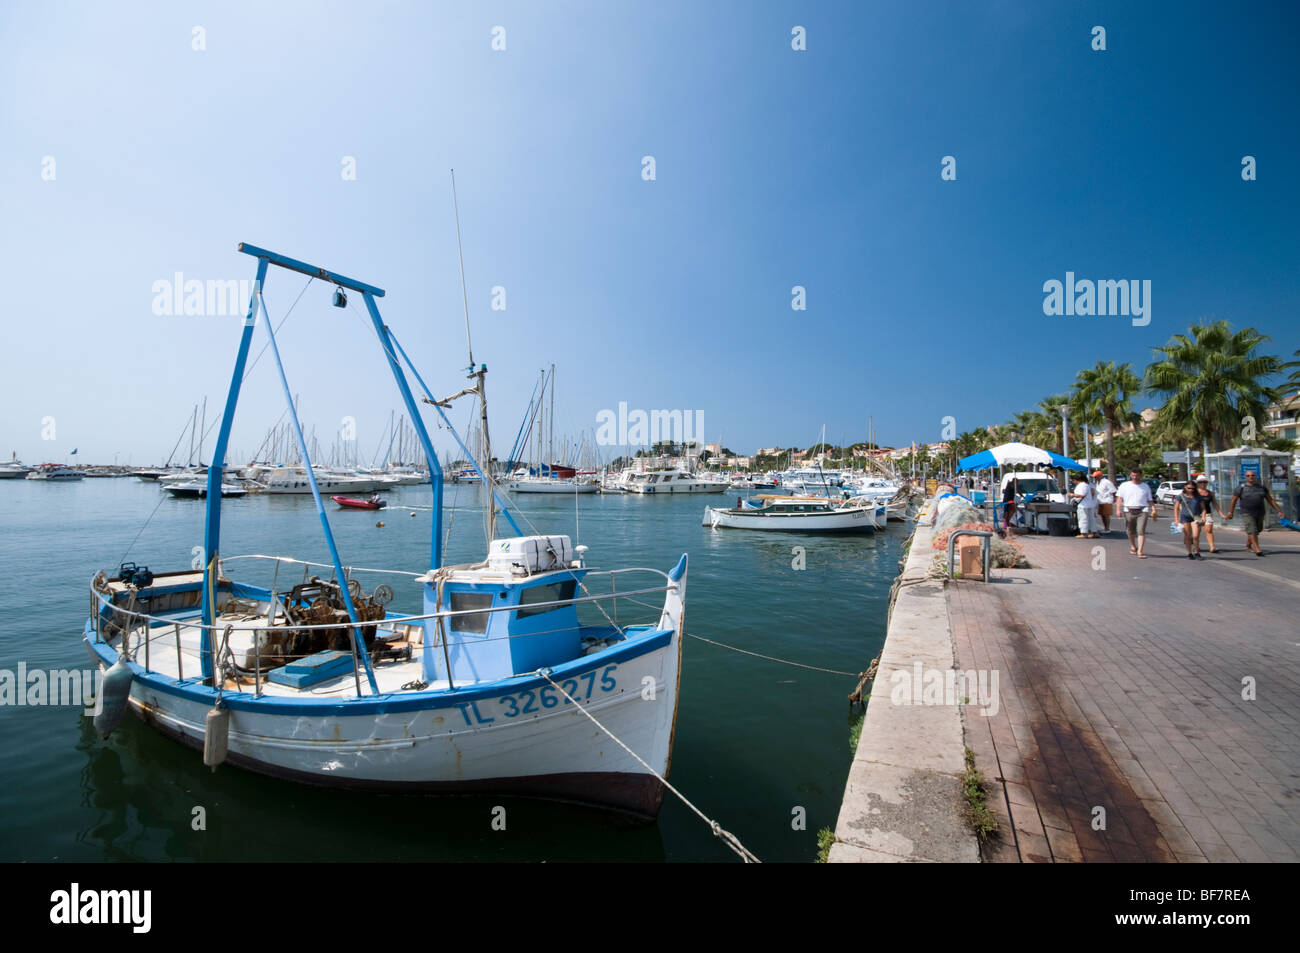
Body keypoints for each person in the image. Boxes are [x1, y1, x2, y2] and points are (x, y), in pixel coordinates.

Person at [1226, 470, 1285, 556]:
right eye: (1248, 476)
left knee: (1258, 530)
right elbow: (1233, 500)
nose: (1251, 477)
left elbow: (1270, 500)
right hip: (1246, 512)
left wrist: (1279, 511)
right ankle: (1257, 549)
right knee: (1252, 530)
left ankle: (1248, 545)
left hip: (1260, 512)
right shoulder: (1241, 488)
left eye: (1252, 475)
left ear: (1255, 476)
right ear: (1246, 477)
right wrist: (1230, 512)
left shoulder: (1261, 488)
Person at [1115, 470, 1156, 558]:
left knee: (1141, 531)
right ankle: (1133, 546)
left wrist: (1153, 509)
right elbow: (1119, 498)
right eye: (1133, 475)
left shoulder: (1145, 486)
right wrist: (1118, 509)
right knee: (1130, 531)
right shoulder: (1124, 485)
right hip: (1129, 510)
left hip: (1142, 510)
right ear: (1130, 475)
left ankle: (1140, 551)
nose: (1135, 477)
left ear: (1140, 475)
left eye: (1137, 475)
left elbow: (1150, 500)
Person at [1173, 481, 1205, 559]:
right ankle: (1189, 553)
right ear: (1185, 487)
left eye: (1192, 488)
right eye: (1189, 488)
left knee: (1195, 535)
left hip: (1196, 517)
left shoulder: (1198, 497)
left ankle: (1197, 551)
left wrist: (1203, 516)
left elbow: (1203, 508)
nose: (1191, 490)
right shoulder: (1180, 496)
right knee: (1187, 535)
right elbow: (1176, 508)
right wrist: (1176, 519)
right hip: (1185, 517)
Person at [1195, 476, 1226, 553]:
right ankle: (1196, 547)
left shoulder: (1210, 493)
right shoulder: (1195, 493)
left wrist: (1221, 514)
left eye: (1205, 482)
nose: (1203, 484)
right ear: (1198, 483)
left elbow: (1215, 504)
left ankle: (1212, 547)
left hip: (1208, 514)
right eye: (1201, 482)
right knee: (1197, 532)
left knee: (1209, 530)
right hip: (1197, 514)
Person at [1072, 473, 1099, 538]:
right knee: (1091, 519)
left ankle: (1084, 533)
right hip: (1090, 504)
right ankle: (1093, 532)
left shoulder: (1081, 485)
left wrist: (1071, 495)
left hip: (1083, 505)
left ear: (1076, 480)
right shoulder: (1087, 485)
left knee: (1083, 519)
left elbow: (1081, 495)